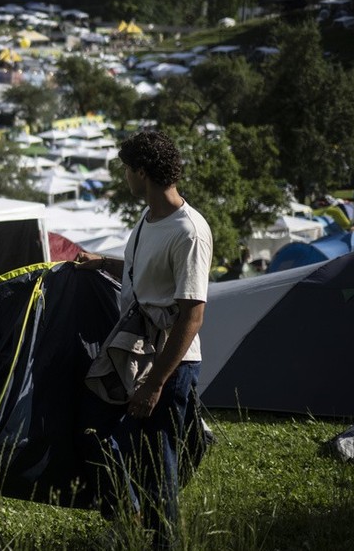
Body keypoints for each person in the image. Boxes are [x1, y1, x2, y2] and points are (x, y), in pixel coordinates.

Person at [75, 131, 211, 549]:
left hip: (170, 363)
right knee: (100, 435)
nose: (125, 178)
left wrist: (154, 385)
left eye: (126, 170)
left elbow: (192, 314)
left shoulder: (188, 232)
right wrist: (103, 262)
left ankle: (160, 541)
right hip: (136, 352)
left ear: (142, 172)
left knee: (157, 462)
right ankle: (129, 522)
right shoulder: (149, 217)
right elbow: (146, 274)